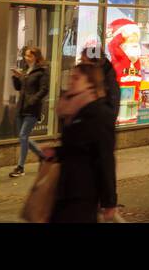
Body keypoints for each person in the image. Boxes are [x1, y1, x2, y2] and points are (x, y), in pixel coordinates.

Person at [50, 62, 118, 222]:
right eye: (71, 77)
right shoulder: (73, 108)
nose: (71, 81)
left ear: (89, 82)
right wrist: (56, 152)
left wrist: (109, 201)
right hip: (65, 188)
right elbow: (75, 146)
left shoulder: (99, 113)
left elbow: (105, 158)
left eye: (76, 78)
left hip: (83, 191)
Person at [9, 46, 50, 177]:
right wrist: (16, 77)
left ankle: (20, 167)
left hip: (32, 108)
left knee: (23, 136)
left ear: (36, 57)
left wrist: (33, 100)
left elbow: (44, 89)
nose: (26, 58)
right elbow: (19, 88)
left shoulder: (42, 71)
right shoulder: (26, 71)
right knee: (23, 137)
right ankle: (44, 156)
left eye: (29, 56)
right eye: (25, 56)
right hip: (21, 107)